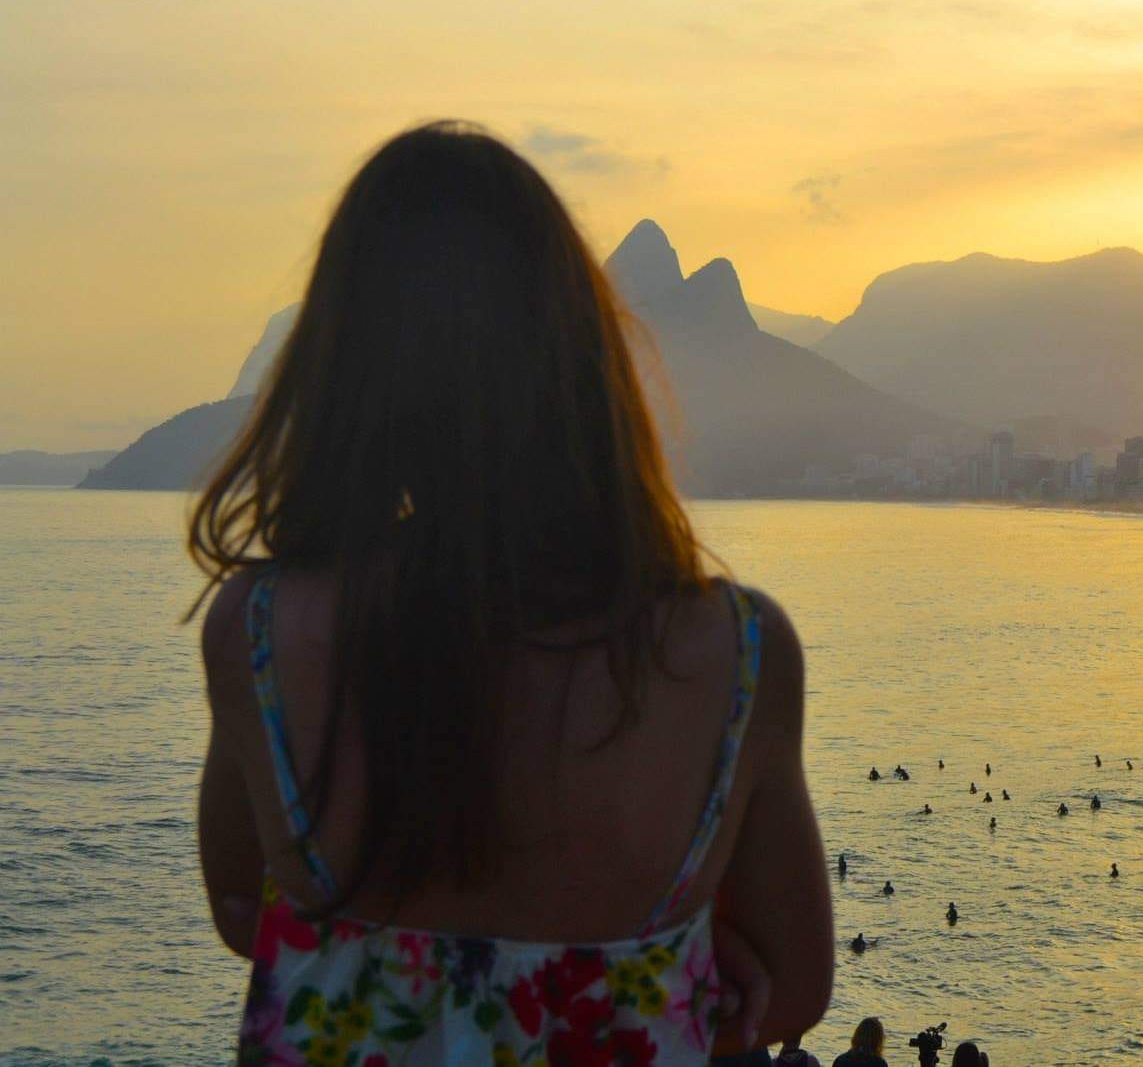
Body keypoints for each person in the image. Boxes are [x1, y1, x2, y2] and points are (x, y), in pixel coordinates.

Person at [189, 123, 834, 1062]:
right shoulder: (731, 655)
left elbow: (242, 906)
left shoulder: (257, 632)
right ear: (582, 361)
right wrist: (683, 954)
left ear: (340, 370)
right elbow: (795, 985)